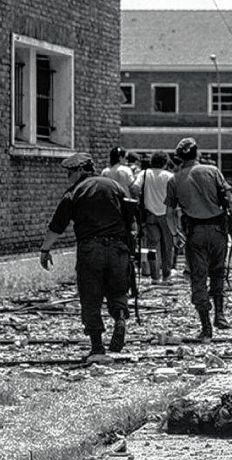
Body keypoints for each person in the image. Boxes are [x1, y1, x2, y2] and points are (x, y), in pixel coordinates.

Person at [39, 152, 136, 361]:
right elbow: (131, 218)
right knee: (118, 289)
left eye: (71, 172)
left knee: (90, 296)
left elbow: (56, 226)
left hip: (91, 249)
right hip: (118, 247)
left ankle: (97, 346)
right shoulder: (115, 186)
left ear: (82, 170)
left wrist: (45, 250)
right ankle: (120, 318)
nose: (68, 177)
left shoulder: (75, 192)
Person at [165, 138, 232, 340]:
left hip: (195, 233)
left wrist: (174, 234)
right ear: (197, 153)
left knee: (198, 277)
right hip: (218, 230)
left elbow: (169, 213)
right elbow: (230, 202)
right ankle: (220, 315)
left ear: (179, 158)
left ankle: (206, 325)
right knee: (218, 272)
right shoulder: (212, 171)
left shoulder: (174, 180)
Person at [133, 151, 174, 284]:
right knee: (167, 246)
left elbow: (135, 188)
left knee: (152, 247)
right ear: (165, 163)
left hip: (149, 214)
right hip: (166, 215)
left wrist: (142, 197)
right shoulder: (169, 176)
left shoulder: (144, 174)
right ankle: (166, 275)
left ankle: (155, 276)